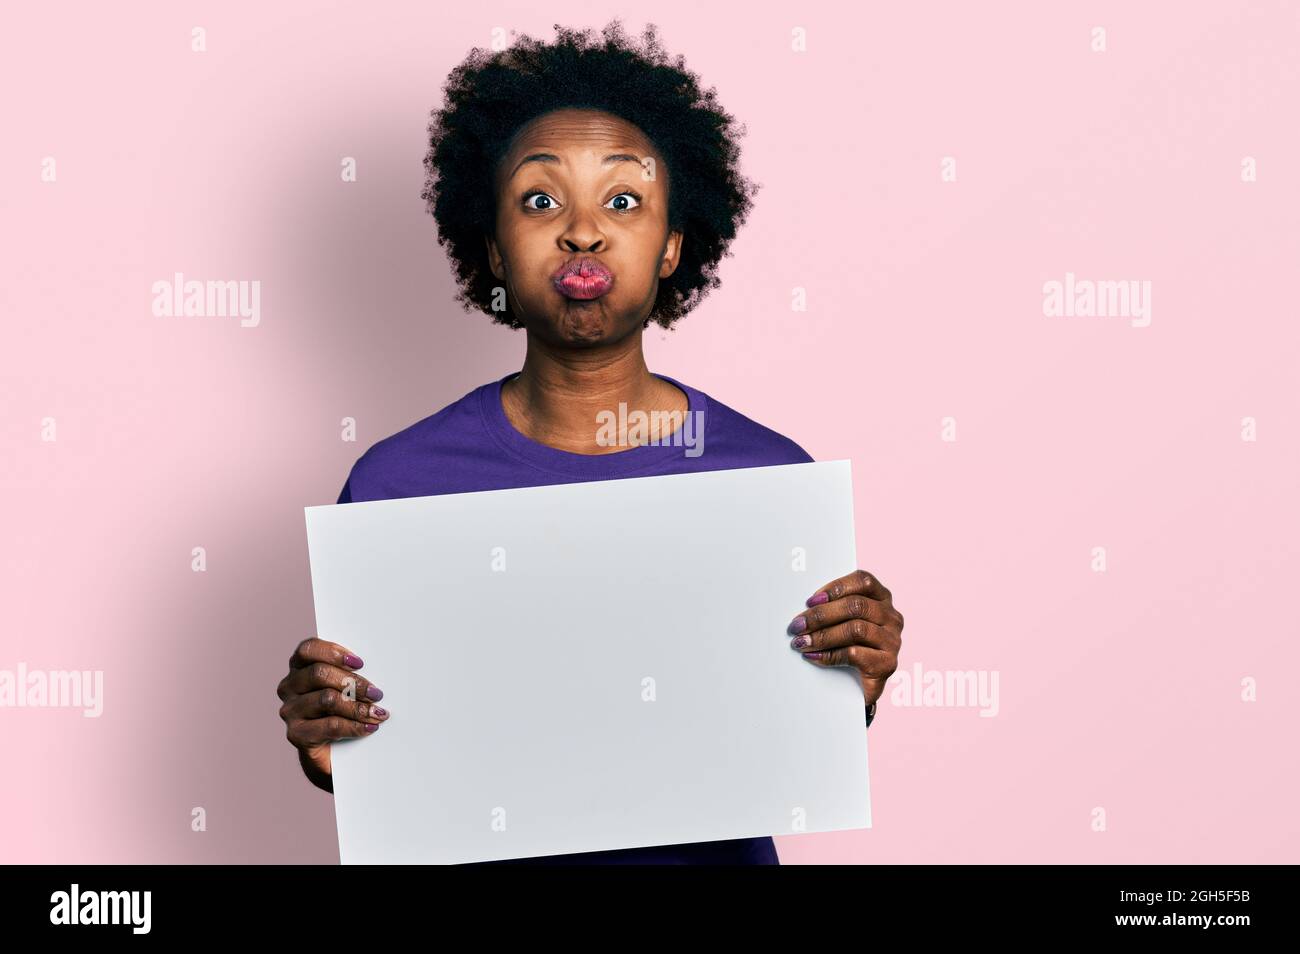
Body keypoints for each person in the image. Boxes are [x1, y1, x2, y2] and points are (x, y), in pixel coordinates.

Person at [277, 20, 903, 865]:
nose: (583, 232)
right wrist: (327, 745)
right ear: (494, 251)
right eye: (541, 200)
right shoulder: (397, 485)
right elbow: (380, 762)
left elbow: (790, 735)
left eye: (623, 200)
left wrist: (851, 683)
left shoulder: (769, 482)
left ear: (675, 244)